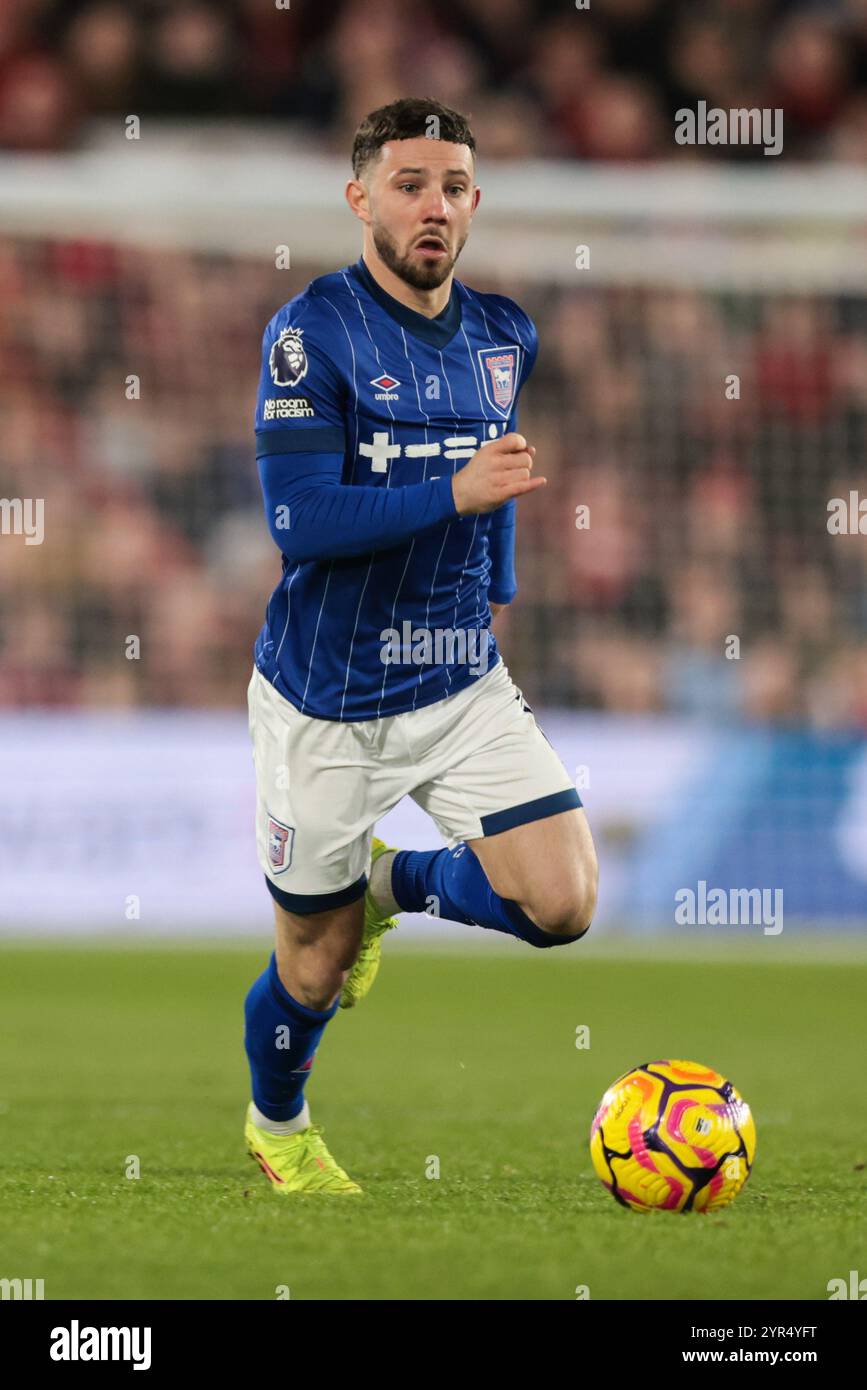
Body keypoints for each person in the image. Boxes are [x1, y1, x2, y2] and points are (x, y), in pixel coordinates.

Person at [243, 96, 598, 1193]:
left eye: (452, 187)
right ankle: (280, 1127)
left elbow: (500, 488)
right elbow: (300, 521)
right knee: (313, 963)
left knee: (566, 903)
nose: (432, 206)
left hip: (457, 679)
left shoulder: (504, 335)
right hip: (326, 697)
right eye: (408, 185)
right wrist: (453, 491)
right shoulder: (314, 334)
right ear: (361, 199)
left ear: (475, 203)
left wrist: (495, 587)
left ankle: (393, 884)